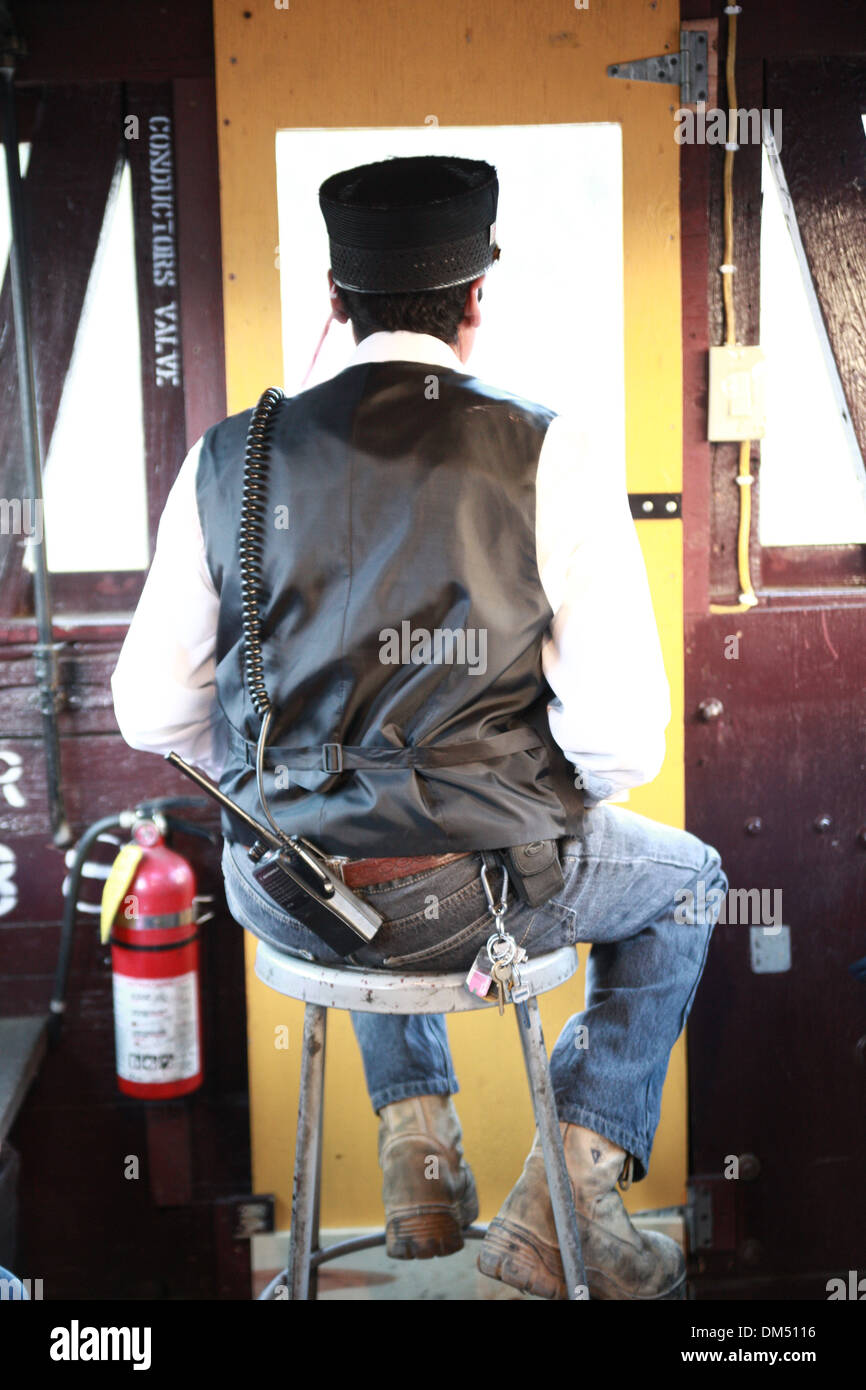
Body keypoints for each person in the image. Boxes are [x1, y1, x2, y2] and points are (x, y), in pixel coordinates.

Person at [112, 154, 727, 1301]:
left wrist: (301, 782)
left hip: (288, 892)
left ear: (335, 302)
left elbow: (152, 712)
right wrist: (507, 799)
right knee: (687, 878)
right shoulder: (548, 452)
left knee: (353, 840)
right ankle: (566, 1200)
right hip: (469, 899)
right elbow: (620, 748)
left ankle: (417, 1150)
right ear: (475, 298)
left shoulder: (229, 461)